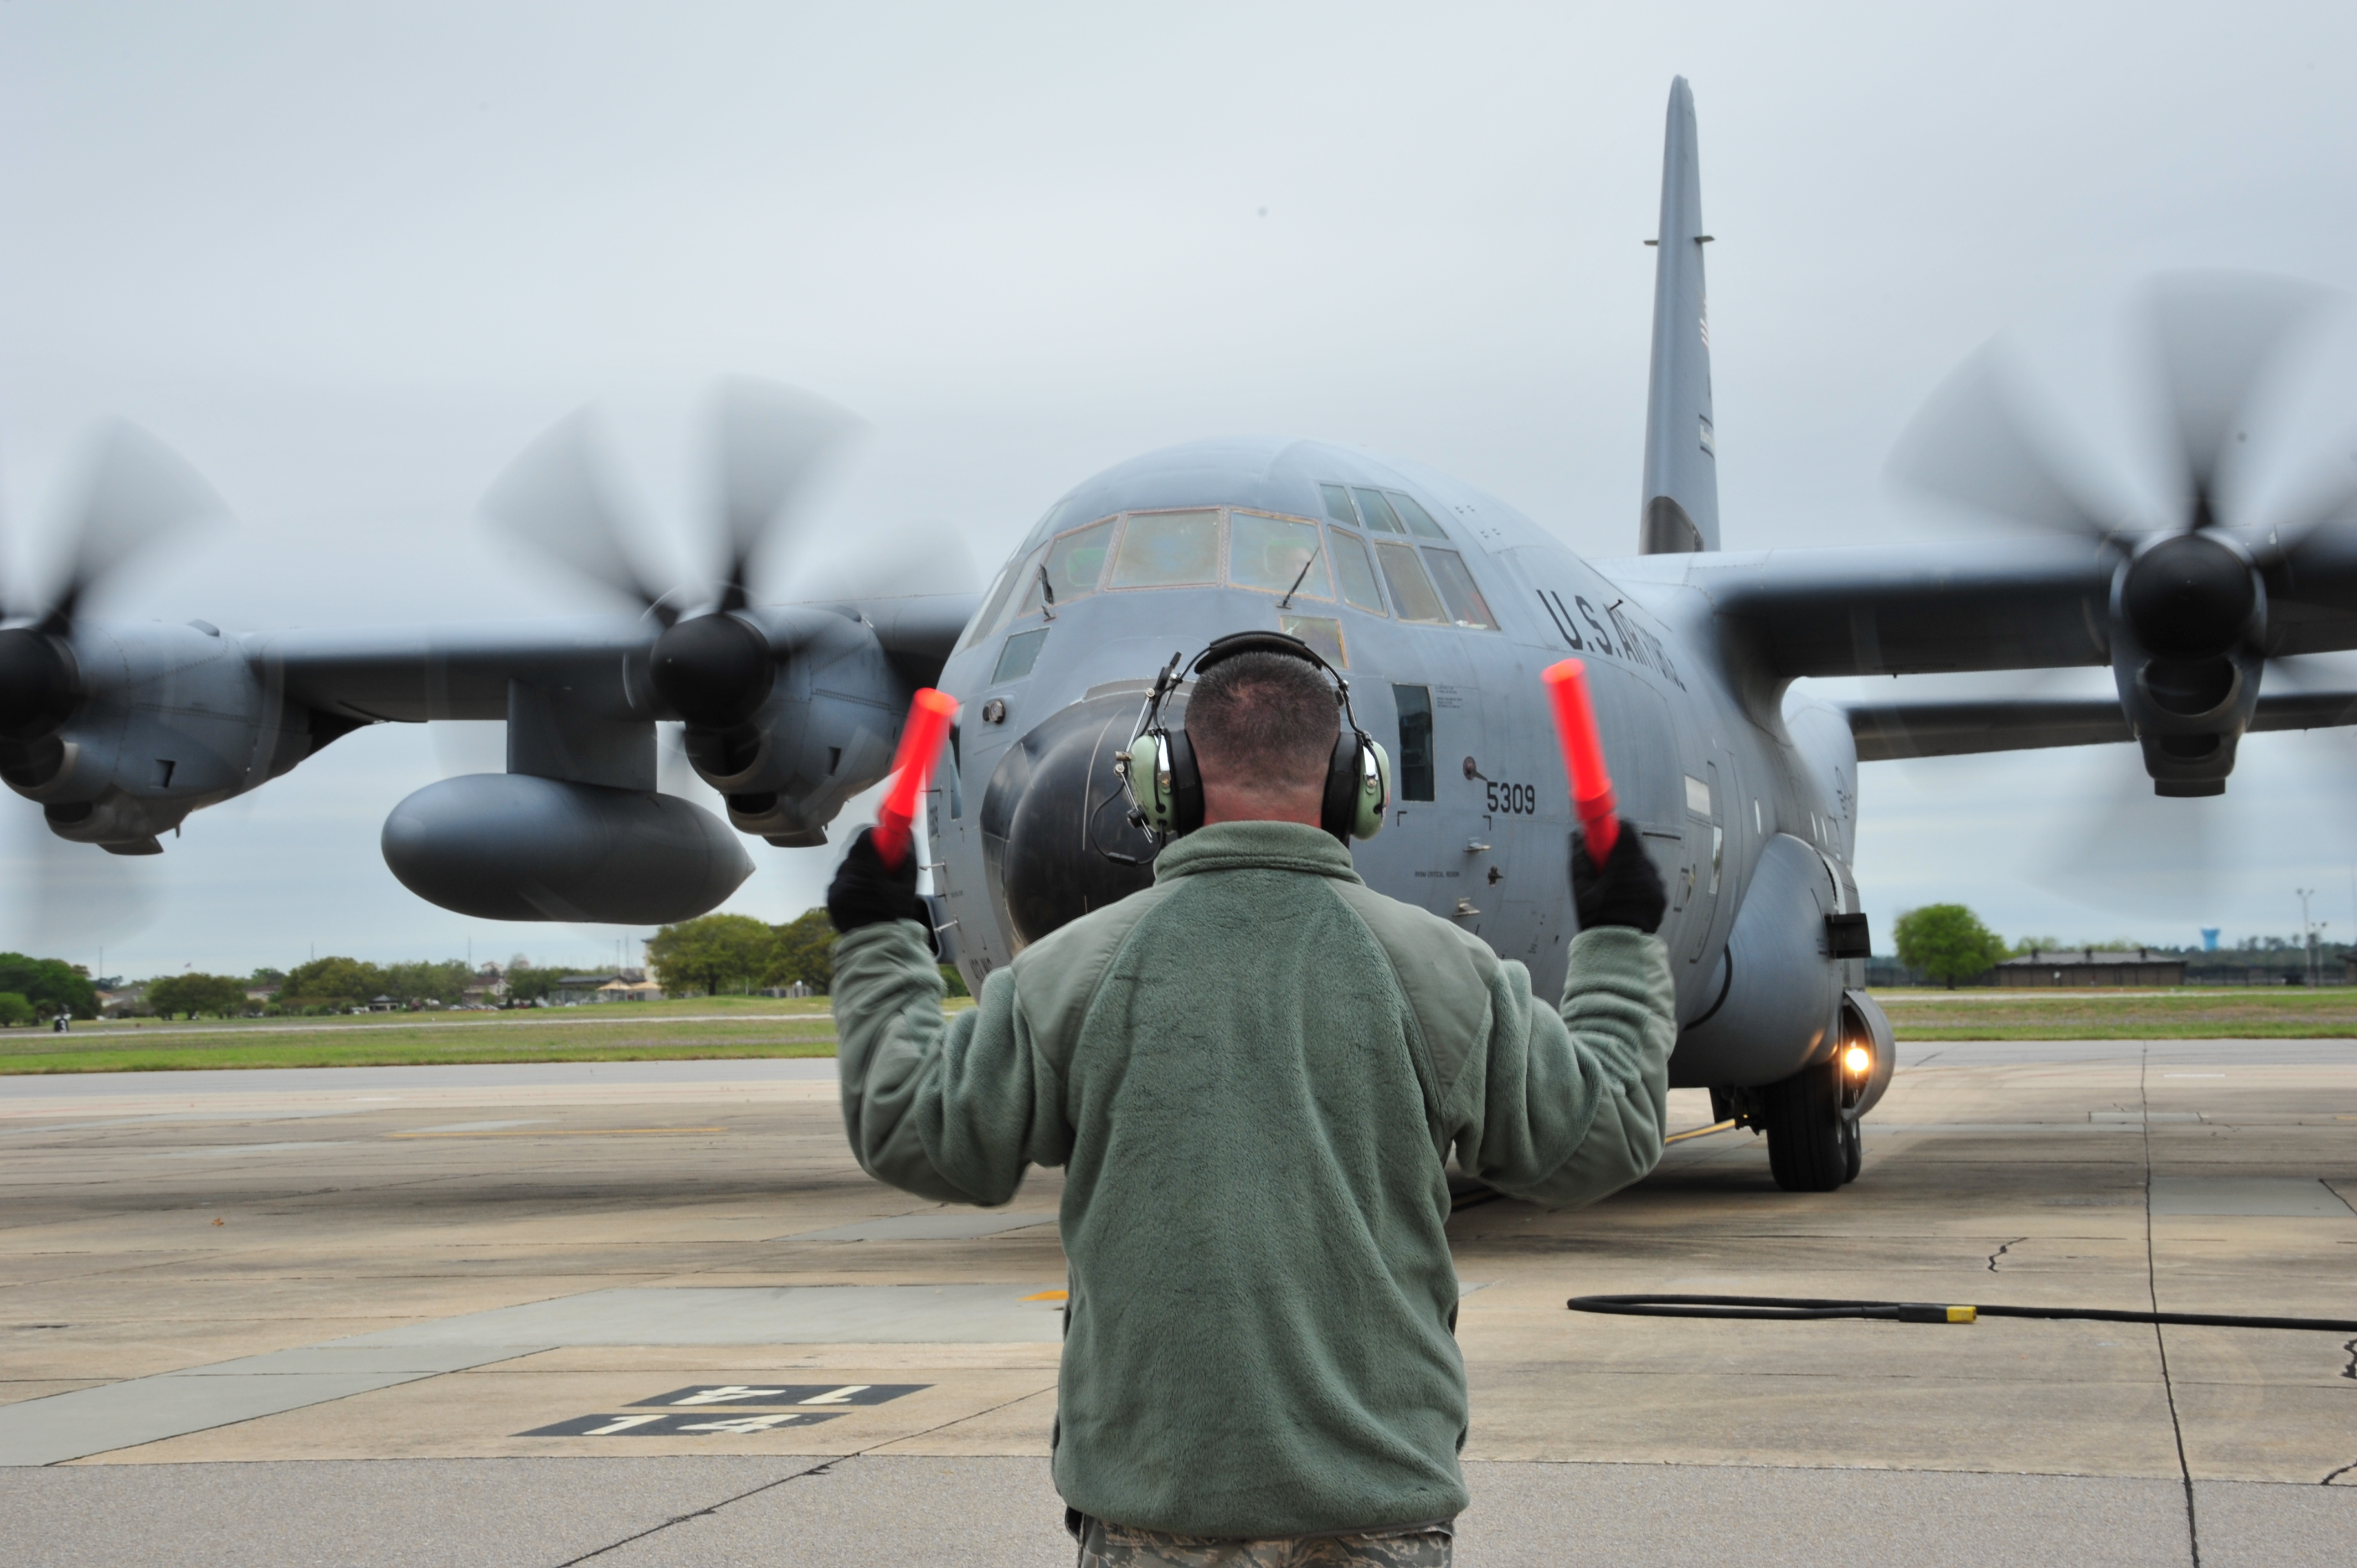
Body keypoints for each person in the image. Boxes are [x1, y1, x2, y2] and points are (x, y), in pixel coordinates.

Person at [826, 642, 1676, 1567]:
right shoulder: (1449, 974)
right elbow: (1604, 1134)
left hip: (1156, 1513)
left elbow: (912, 1128)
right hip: (1377, 1512)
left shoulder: (1067, 973)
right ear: (1356, 787)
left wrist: (877, 938)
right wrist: (1619, 938)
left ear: (1166, 786)